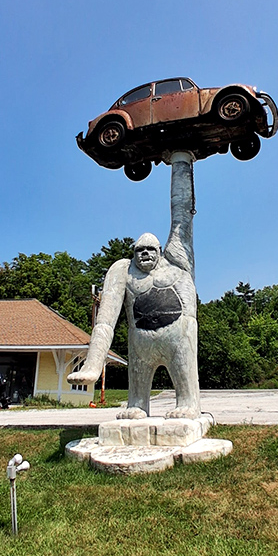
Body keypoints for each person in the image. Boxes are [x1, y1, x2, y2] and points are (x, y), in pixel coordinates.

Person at [68, 151, 201, 419]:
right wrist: (93, 365)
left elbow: (182, 215)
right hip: (141, 342)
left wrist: (180, 161)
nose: (146, 255)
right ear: (133, 253)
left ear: (160, 251)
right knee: (136, 402)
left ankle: (187, 403)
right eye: (140, 251)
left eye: (151, 250)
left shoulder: (177, 260)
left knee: (186, 400)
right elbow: (105, 321)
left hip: (179, 337)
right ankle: (137, 404)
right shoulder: (122, 271)